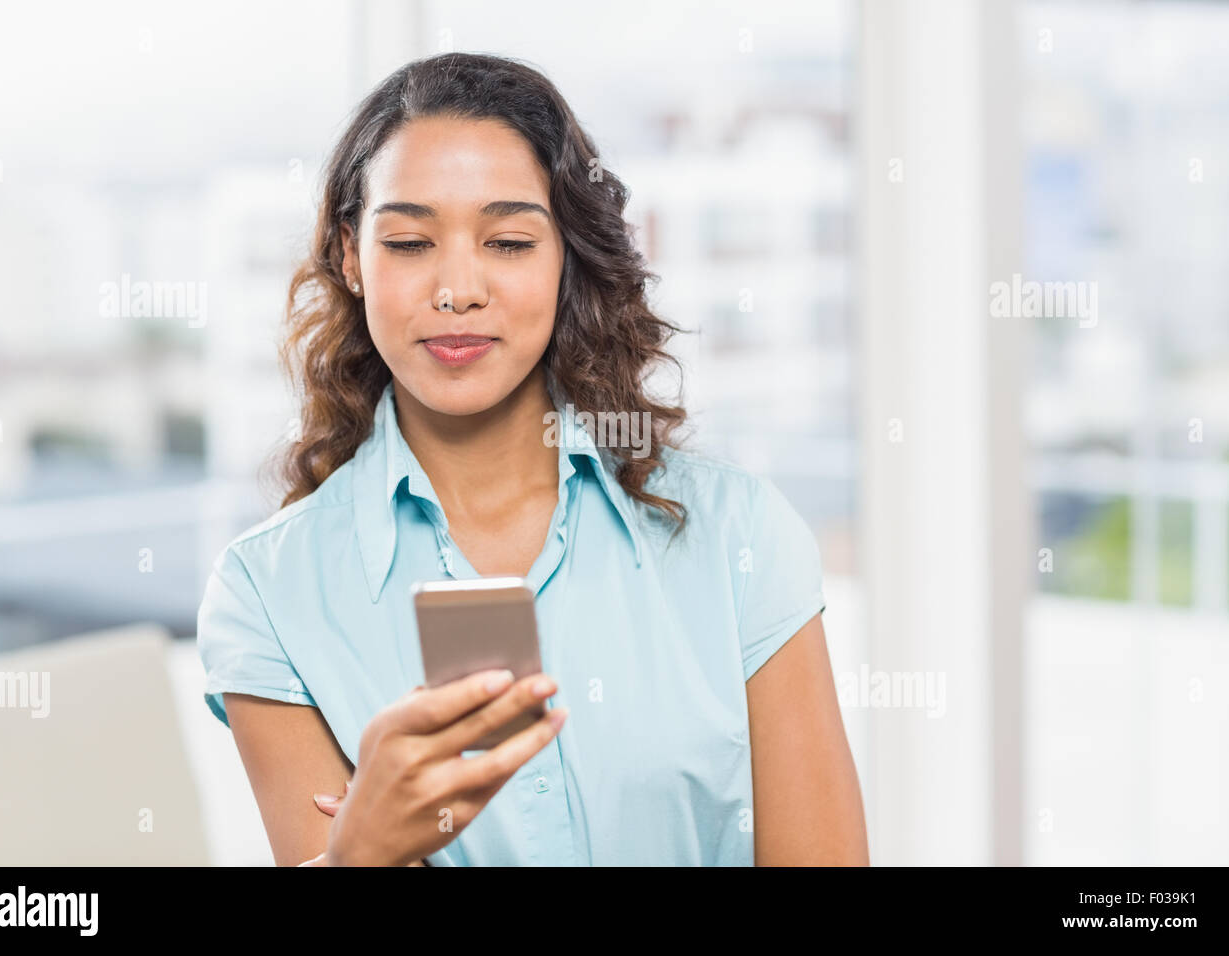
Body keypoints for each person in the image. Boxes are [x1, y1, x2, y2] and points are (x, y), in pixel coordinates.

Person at [196, 51, 868, 866]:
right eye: (408, 241)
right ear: (350, 256)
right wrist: (356, 856)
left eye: (508, 241)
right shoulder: (267, 594)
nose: (457, 288)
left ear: (567, 256)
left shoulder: (738, 535)